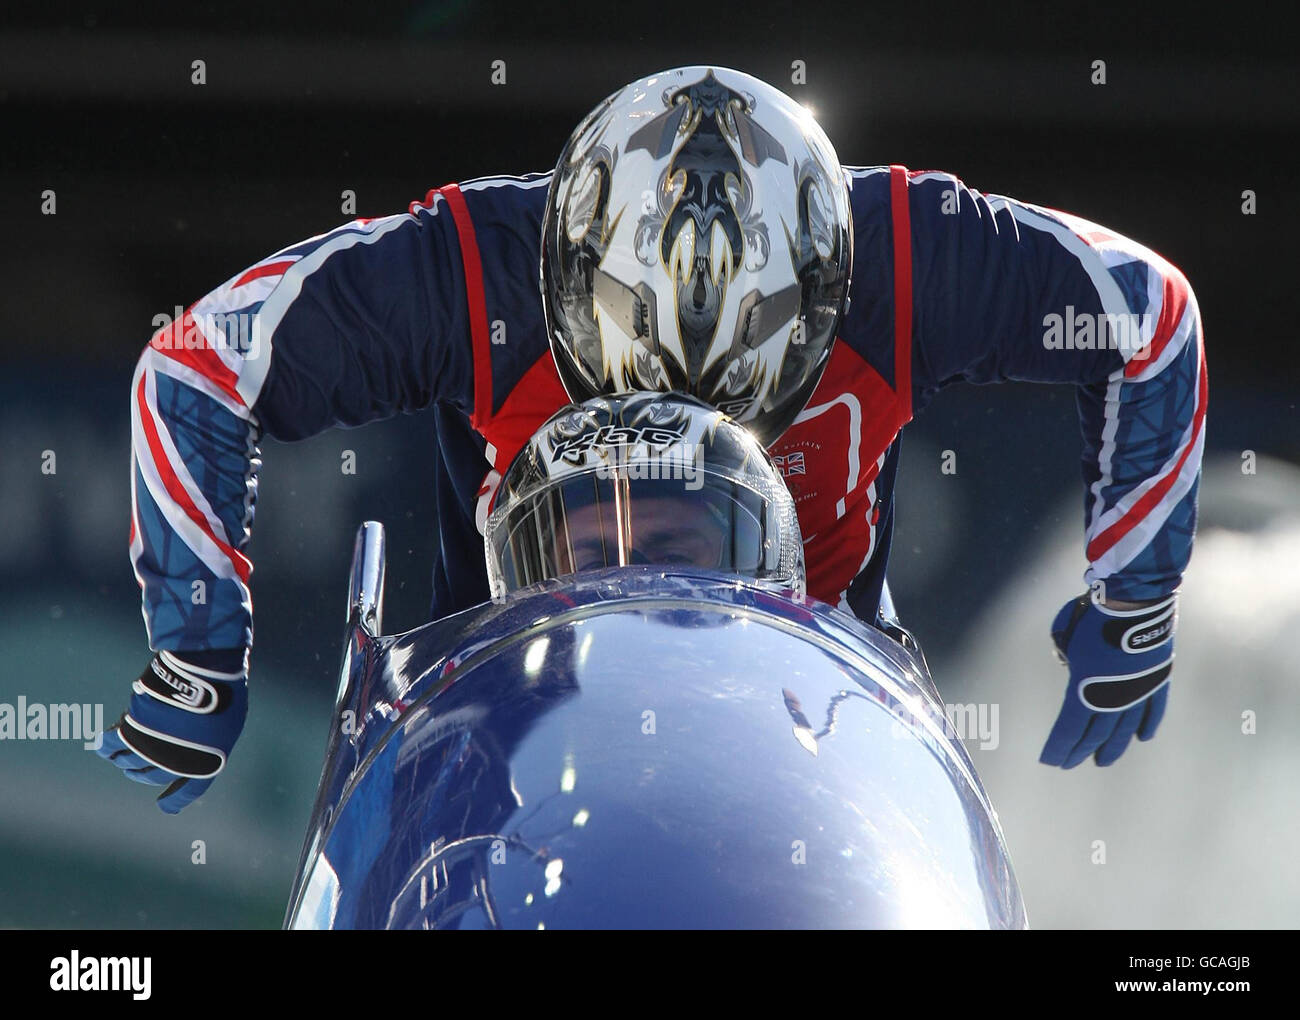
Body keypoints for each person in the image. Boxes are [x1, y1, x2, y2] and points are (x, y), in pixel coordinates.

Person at [97, 65, 1204, 813]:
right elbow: (200, 364)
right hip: (503, 718)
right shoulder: (468, 268)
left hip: (810, 713)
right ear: (567, 268)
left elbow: (1147, 316)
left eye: (747, 393)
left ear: (832, 280)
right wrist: (199, 646)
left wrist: (1137, 597)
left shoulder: (912, 252)